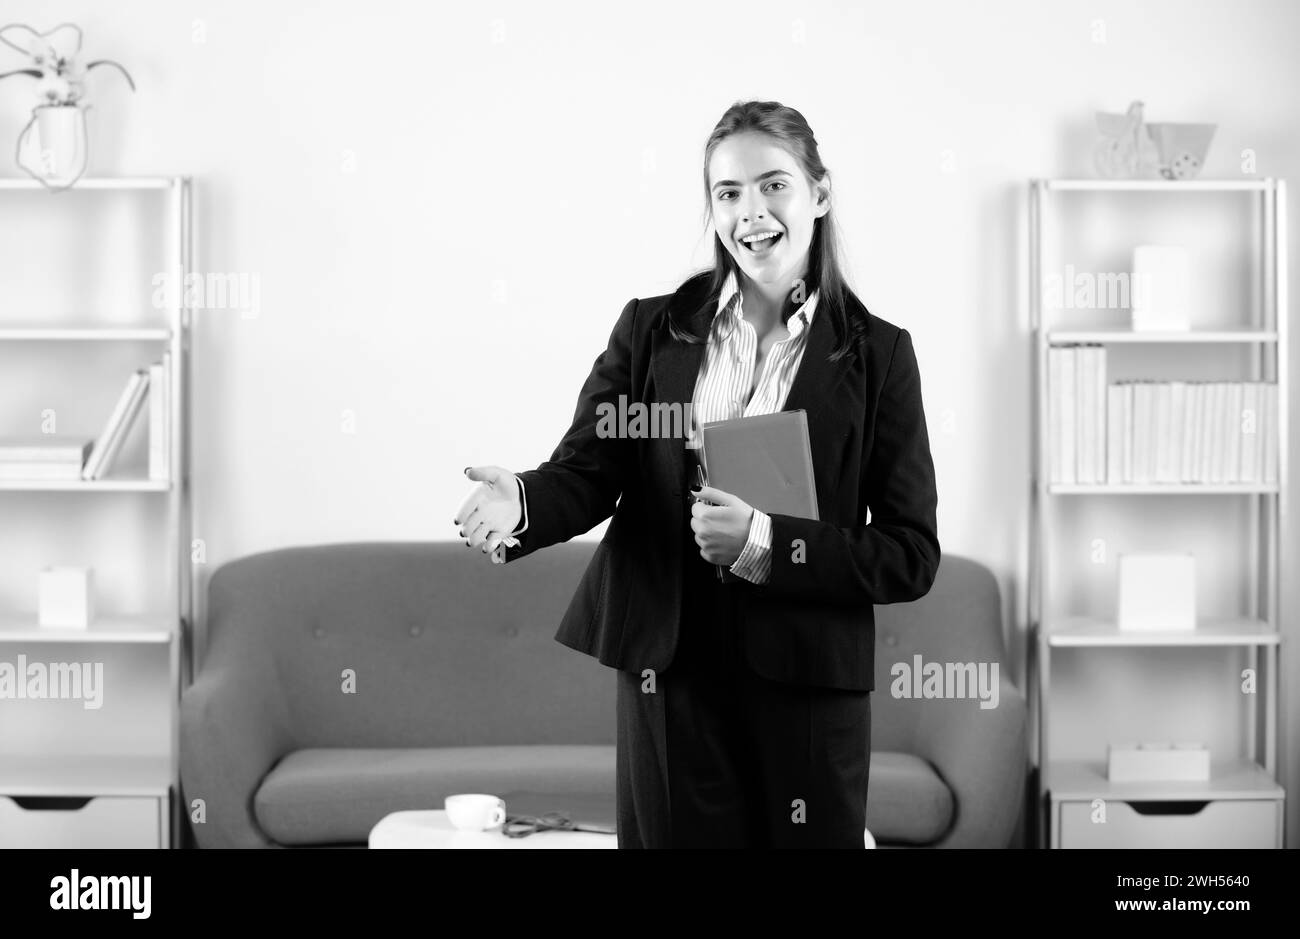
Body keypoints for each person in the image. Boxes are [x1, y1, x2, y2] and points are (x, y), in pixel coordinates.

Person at [454, 100, 940, 848]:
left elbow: (909, 551)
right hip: (669, 671)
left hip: (810, 684)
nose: (752, 212)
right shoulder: (654, 331)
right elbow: (589, 467)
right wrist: (520, 499)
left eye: (774, 185)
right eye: (729, 192)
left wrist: (765, 543)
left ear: (820, 193)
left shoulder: (880, 356)